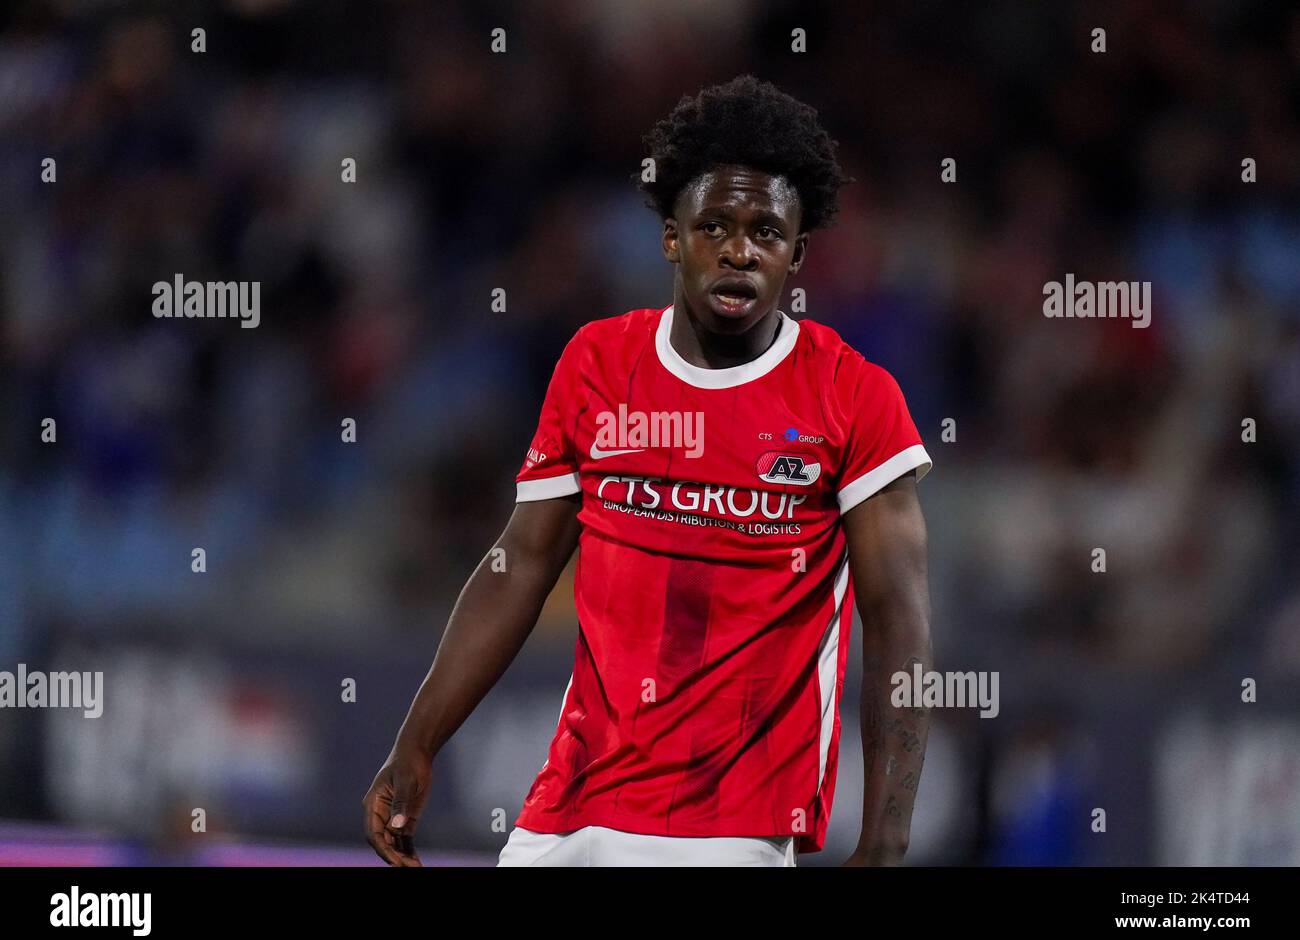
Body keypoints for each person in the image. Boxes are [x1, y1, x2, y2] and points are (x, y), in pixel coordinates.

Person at [363, 74, 934, 867]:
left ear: (797, 253)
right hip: (564, 813)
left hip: (731, 832)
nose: (740, 250)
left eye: (767, 232)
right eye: (715, 226)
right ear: (672, 236)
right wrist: (417, 740)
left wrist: (886, 836)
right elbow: (521, 561)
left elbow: (900, 626)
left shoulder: (856, 398)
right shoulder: (597, 363)